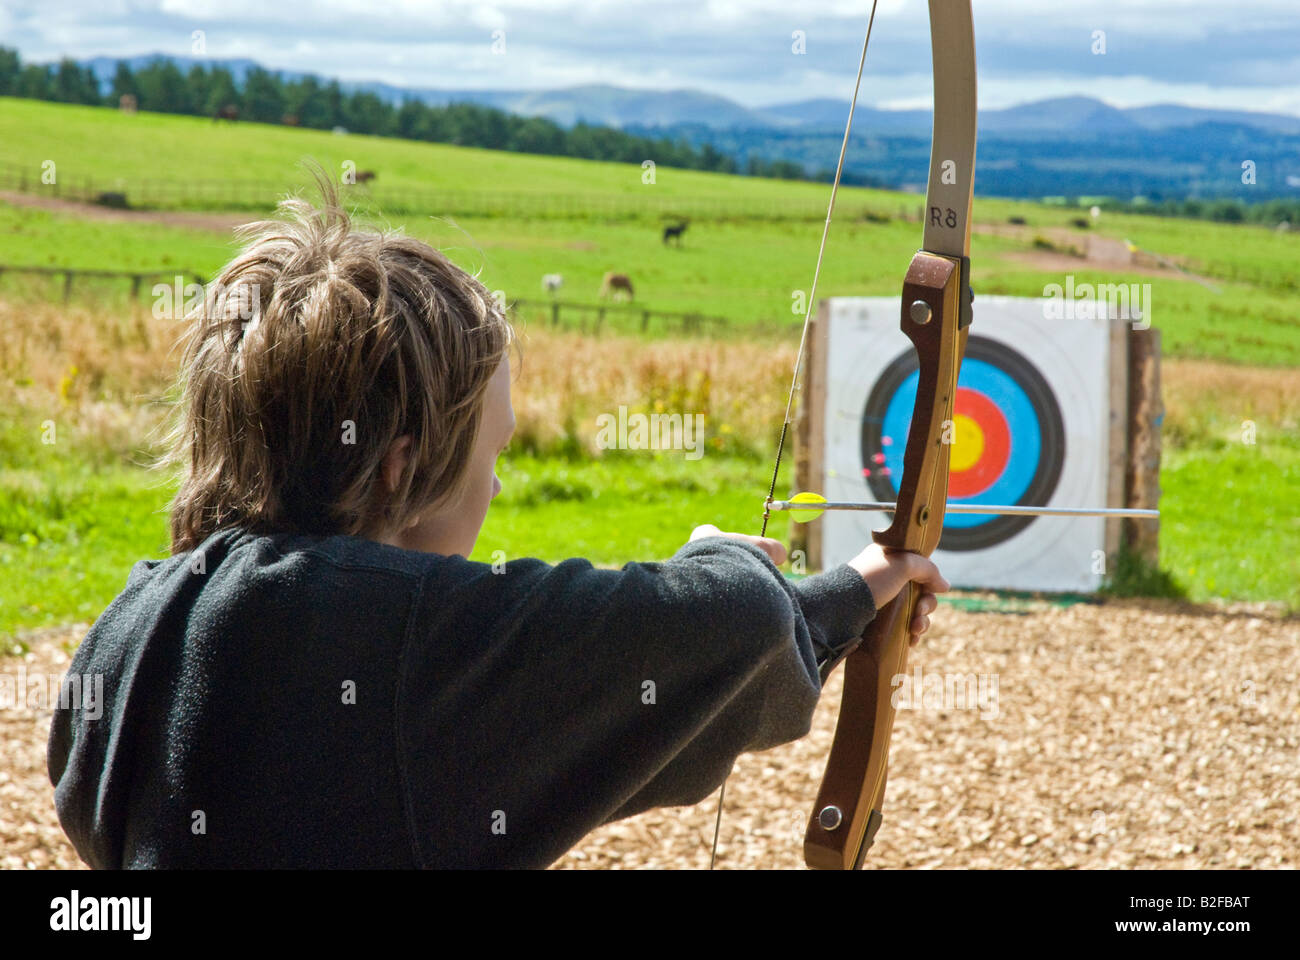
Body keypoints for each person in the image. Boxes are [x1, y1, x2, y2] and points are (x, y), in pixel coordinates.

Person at [47, 177, 948, 869]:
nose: (495, 489)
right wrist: (823, 586)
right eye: (493, 455)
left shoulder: (137, 623)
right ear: (400, 470)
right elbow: (736, 626)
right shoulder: (400, 649)